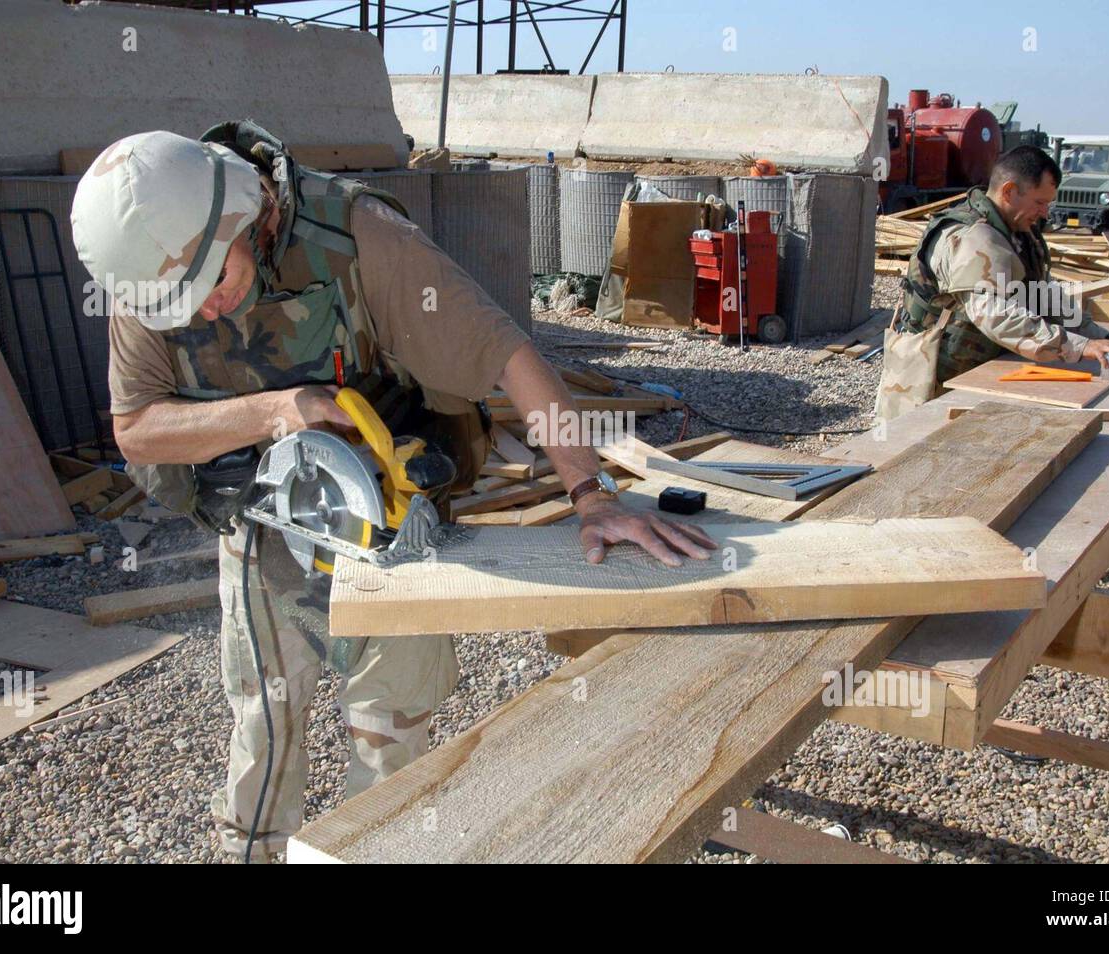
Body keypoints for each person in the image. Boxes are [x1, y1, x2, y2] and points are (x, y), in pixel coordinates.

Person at [71, 123, 714, 860]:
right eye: (182, 304)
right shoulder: (154, 259)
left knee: (388, 733)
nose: (204, 313)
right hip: (262, 517)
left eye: (213, 286)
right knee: (264, 723)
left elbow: (508, 356)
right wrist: (277, 410)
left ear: (243, 214)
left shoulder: (360, 237)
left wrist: (591, 495)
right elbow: (138, 430)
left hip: (395, 524)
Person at [876, 145, 1109, 421]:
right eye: (1039, 202)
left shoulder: (1018, 233)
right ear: (1009, 191)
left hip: (976, 372)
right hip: (931, 379)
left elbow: (1044, 294)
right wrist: (1078, 347)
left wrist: (1101, 338)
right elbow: (994, 314)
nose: (1045, 213)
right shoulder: (972, 238)